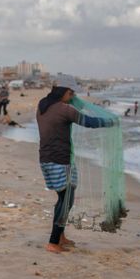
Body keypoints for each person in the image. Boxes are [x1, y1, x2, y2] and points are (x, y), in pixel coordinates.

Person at [37, 85, 115, 253]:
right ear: (61, 92)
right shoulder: (64, 109)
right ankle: (53, 242)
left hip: (46, 159)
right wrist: (111, 122)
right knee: (66, 200)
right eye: (70, 93)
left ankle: (60, 236)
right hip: (60, 160)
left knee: (63, 198)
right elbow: (89, 122)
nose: (72, 96)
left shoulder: (43, 105)